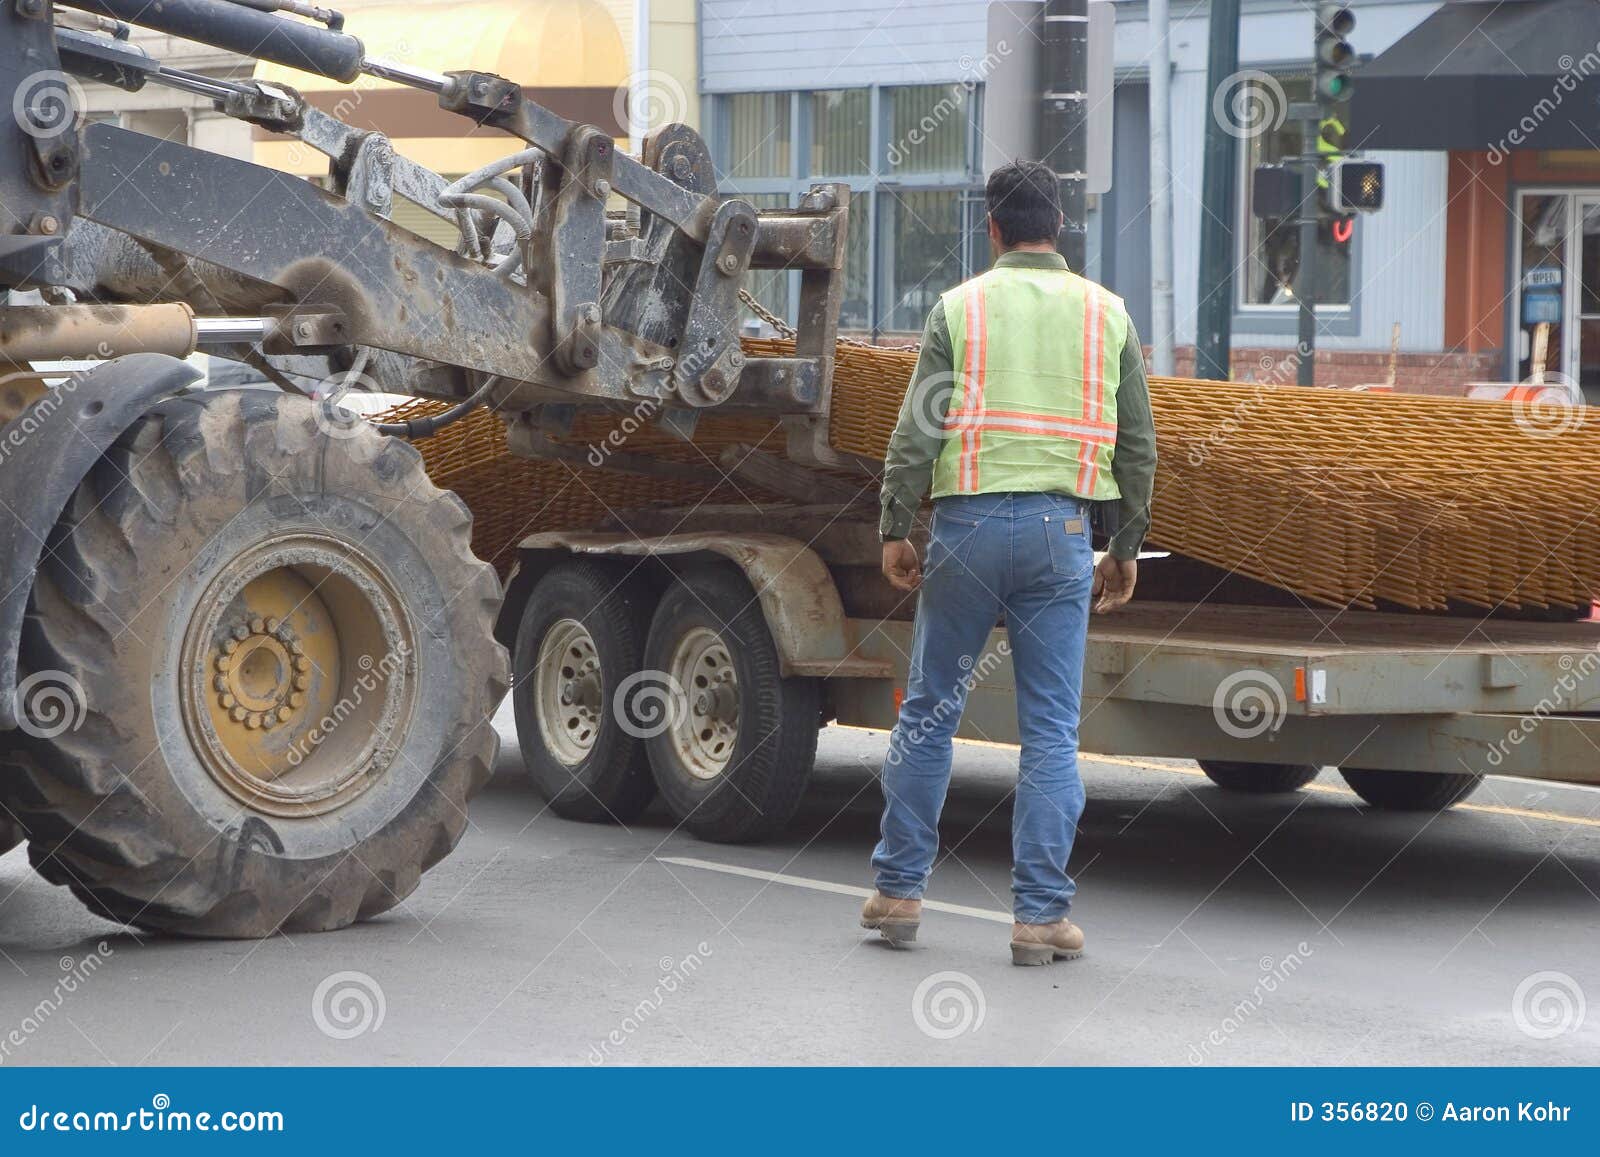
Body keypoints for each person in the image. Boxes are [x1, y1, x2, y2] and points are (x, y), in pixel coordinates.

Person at [859, 159, 1157, 966]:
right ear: (1059, 228)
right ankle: (1038, 918)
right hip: (1064, 535)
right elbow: (1137, 443)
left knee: (929, 712)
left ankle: (898, 894)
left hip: (966, 528)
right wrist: (1125, 545)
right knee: (1052, 730)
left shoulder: (961, 309)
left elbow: (918, 429)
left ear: (991, 229)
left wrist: (895, 524)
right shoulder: (1109, 315)